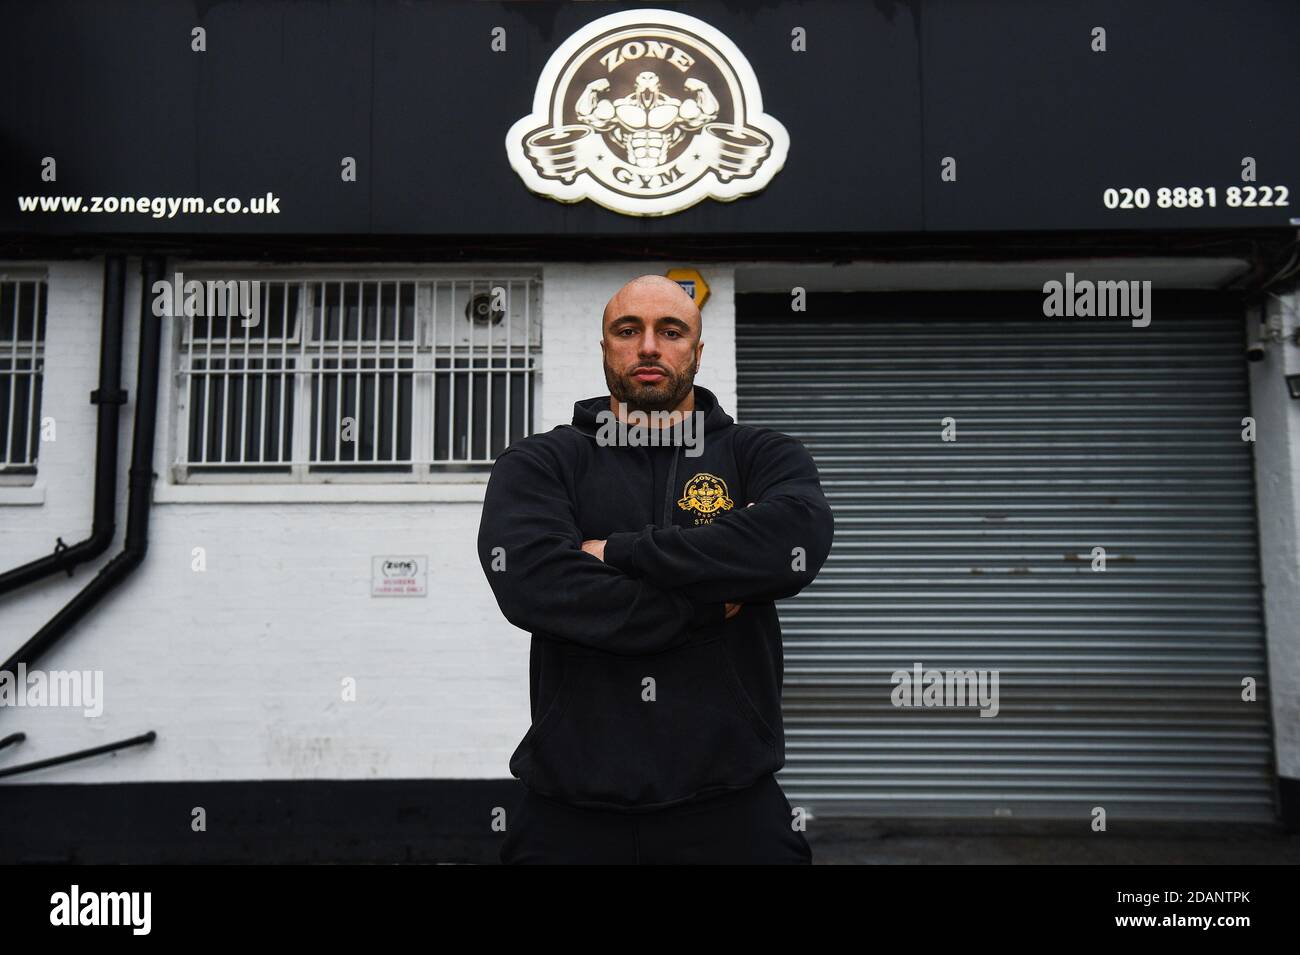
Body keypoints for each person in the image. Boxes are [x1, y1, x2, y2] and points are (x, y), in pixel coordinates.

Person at [477, 274, 835, 864]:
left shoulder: (761, 454)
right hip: (569, 816)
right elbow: (535, 584)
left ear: (696, 351)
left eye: (671, 331)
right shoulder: (542, 462)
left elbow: (793, 541)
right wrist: (703, 601)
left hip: (733, 813)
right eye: (628, 330)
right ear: (604, 348)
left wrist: (616, 554)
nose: (649, 347)